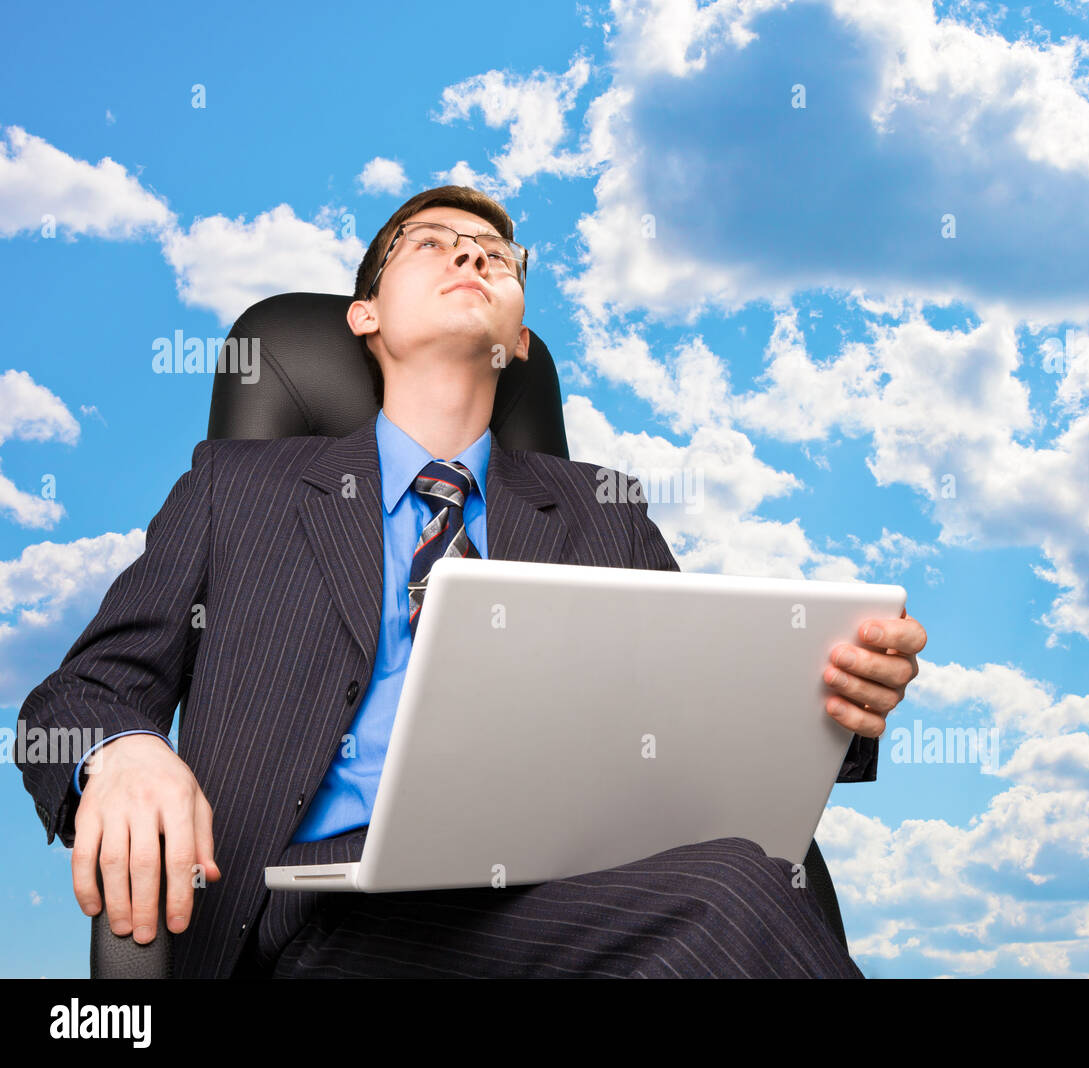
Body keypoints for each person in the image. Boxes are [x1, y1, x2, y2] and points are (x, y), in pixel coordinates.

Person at [16, 186, 927, 977]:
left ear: (519, 337)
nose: (470, 254)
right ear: (363, 317)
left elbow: (703, 714)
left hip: (580, 892)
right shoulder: (238, 488)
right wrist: (122, 752)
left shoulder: (603, 509)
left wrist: (836, 697)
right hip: (325, 912)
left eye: (497, 254)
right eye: (431, 244)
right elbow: (74, 695)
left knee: (739, 883)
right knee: (728, 898)